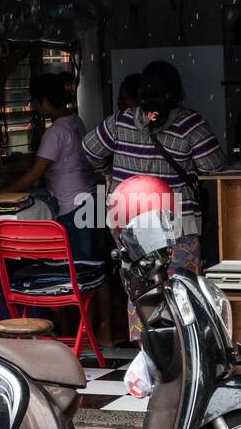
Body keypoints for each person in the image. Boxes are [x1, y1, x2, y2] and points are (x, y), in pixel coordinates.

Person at [83, 60, 225, 337]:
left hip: (128, 218)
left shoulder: (121, 121)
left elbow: (89, 149)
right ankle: (185, 344)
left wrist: (111, 174)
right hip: (178, 221)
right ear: (177, 92)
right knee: (182, 284)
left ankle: (147, 346)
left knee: (140, 285)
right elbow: (214, 165)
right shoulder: (189, 123)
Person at [2, 72, 99, 260]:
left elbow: (33, 175)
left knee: (80, 266)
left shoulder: (55, 132)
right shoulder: (74, 120)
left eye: (35, 102)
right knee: (95, 266)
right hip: (90, 198)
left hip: (72, 206)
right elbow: (64, 157)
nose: (34, 107)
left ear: (45, 102)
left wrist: (1, 195)